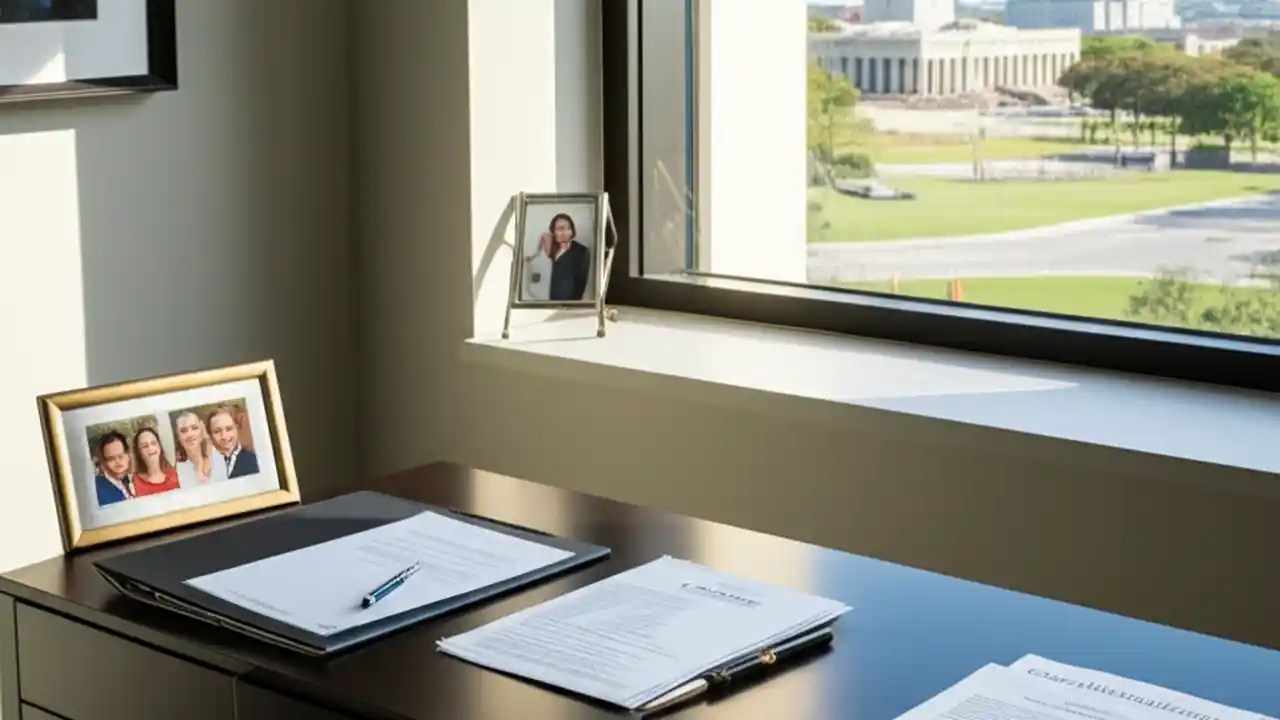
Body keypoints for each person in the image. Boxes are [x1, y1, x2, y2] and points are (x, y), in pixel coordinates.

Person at [536, 213, 590, 301]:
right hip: (551, 302)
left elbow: (581, 283)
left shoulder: (581, 252)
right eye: (559, 229)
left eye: (566, 229)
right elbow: (544, 237)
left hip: (569, 305)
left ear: (572, 231)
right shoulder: (553, 249)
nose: (563, 233)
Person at [173, 410, 223, 488]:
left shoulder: (216, 456)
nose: (190, 434)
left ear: (201, 431)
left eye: (194, 428)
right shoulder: (180, 467)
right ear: (178, 437)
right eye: (183, 430)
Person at [207, 406, 259, 478]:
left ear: (237, 428)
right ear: (210, 434)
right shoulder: (206, 464)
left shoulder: (254, 460)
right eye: (217, 431)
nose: (224, 436)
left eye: (229, 429)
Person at [131, 427, 180, 497]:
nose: (150, 448)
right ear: (139, 453)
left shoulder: (177, 474)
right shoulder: (134, 483)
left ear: (159, 446)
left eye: (153, 443)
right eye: (145, 446)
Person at [93, 431, 134, 506]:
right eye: (111, 459)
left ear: (128, 455)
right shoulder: (95, 490)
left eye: (120, 456)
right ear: (104, 462)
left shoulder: (136, 479)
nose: (118, 462)